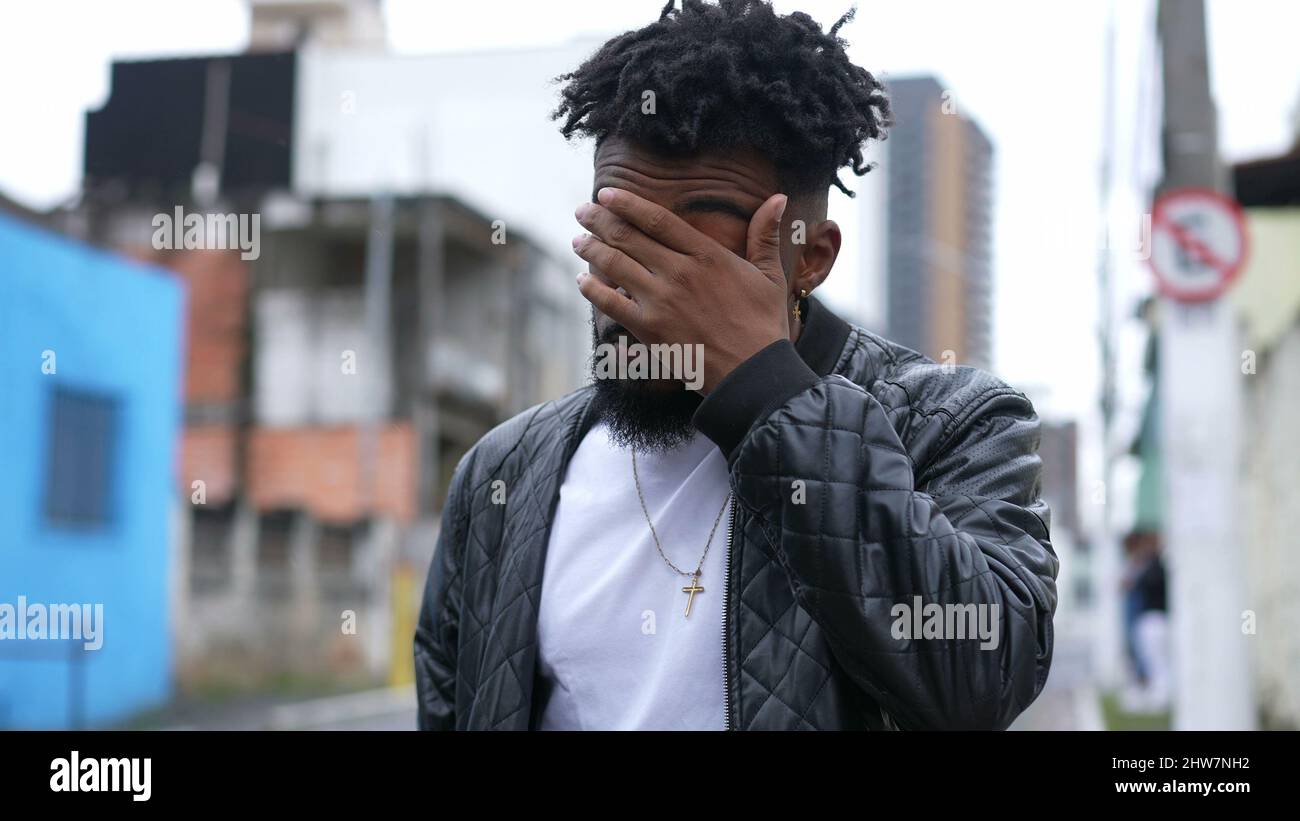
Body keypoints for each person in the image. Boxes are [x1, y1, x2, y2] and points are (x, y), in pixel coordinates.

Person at [415, 0, 1058, 730]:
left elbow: (984, 674)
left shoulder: (951, 425)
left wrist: (768, 390)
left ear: (810, 257)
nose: (642, 284)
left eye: (693, 254)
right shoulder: (504, 472)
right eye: (620, 232)